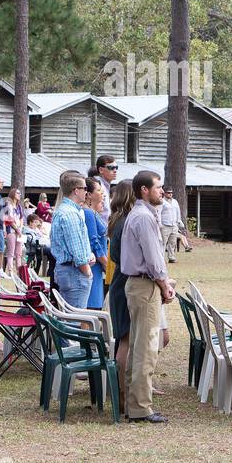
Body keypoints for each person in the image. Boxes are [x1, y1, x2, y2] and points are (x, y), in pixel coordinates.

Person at [120, 169, 177, 423]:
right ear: (144, 190)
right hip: (144, 285)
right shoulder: (143, 217)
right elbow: (154, 259)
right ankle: (140, 408)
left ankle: (133, 403)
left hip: (141, 285)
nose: (162, 191)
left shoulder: (141, 214)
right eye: (157, 187)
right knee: (146, 347)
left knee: (139, 345)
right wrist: (164, 284)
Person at [107, 179, 136, 405]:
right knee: (125, 340)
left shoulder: (117, 220)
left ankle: (121, 390)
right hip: (125, 281)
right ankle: (122, 394)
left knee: (124, 339)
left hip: (118, 280)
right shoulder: (127, 222)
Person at [49, 171, 93, 308]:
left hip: (68, 271)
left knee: (70, 319)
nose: (86, 192)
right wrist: (87, 271)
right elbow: (77, 252)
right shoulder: (70, 214)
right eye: (85, 188)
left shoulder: (62, 210)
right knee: (75, 322)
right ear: (76, 190)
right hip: (75, 273)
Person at [84, 177, 108, 308]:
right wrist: (106, 263)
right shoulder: (88, 213)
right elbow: (93, 242)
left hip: (98, 267)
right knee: (92, 305)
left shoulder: (94, 213)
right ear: (89, 195)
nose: (102, 193)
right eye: (99, 190)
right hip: (95, 265)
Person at [1, 188, 26, 275]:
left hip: (19, 230)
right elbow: (9, 220)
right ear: (13, 194)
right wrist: (17, 229)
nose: (19, 194)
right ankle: (10, 271)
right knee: (11, 252)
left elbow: (21, 218)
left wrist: (21, 228)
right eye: (17, 193)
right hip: (11, 230)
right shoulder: (8, 205)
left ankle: (19, 271)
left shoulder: (19, 206)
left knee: (19, 253)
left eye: (20, 193)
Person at [158, 187, 181, 262]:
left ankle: (171, 257)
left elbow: (178, 212)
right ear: (164, 193)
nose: (170, 194)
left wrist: (179, 221)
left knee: (172, 242)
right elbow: (159, 213)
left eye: (171, 193)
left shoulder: (175, 201)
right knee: (163, 242)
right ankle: (161, 258)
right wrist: (159, 223)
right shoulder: (161, 202)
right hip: (165, 225)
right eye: (168, 192)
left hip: (174, 225)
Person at [95, 155, 117, 227]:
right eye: (111, 168)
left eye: (116, 167)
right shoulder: (97, 186)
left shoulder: (105, 186)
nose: (115, 170)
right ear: (101, 170)